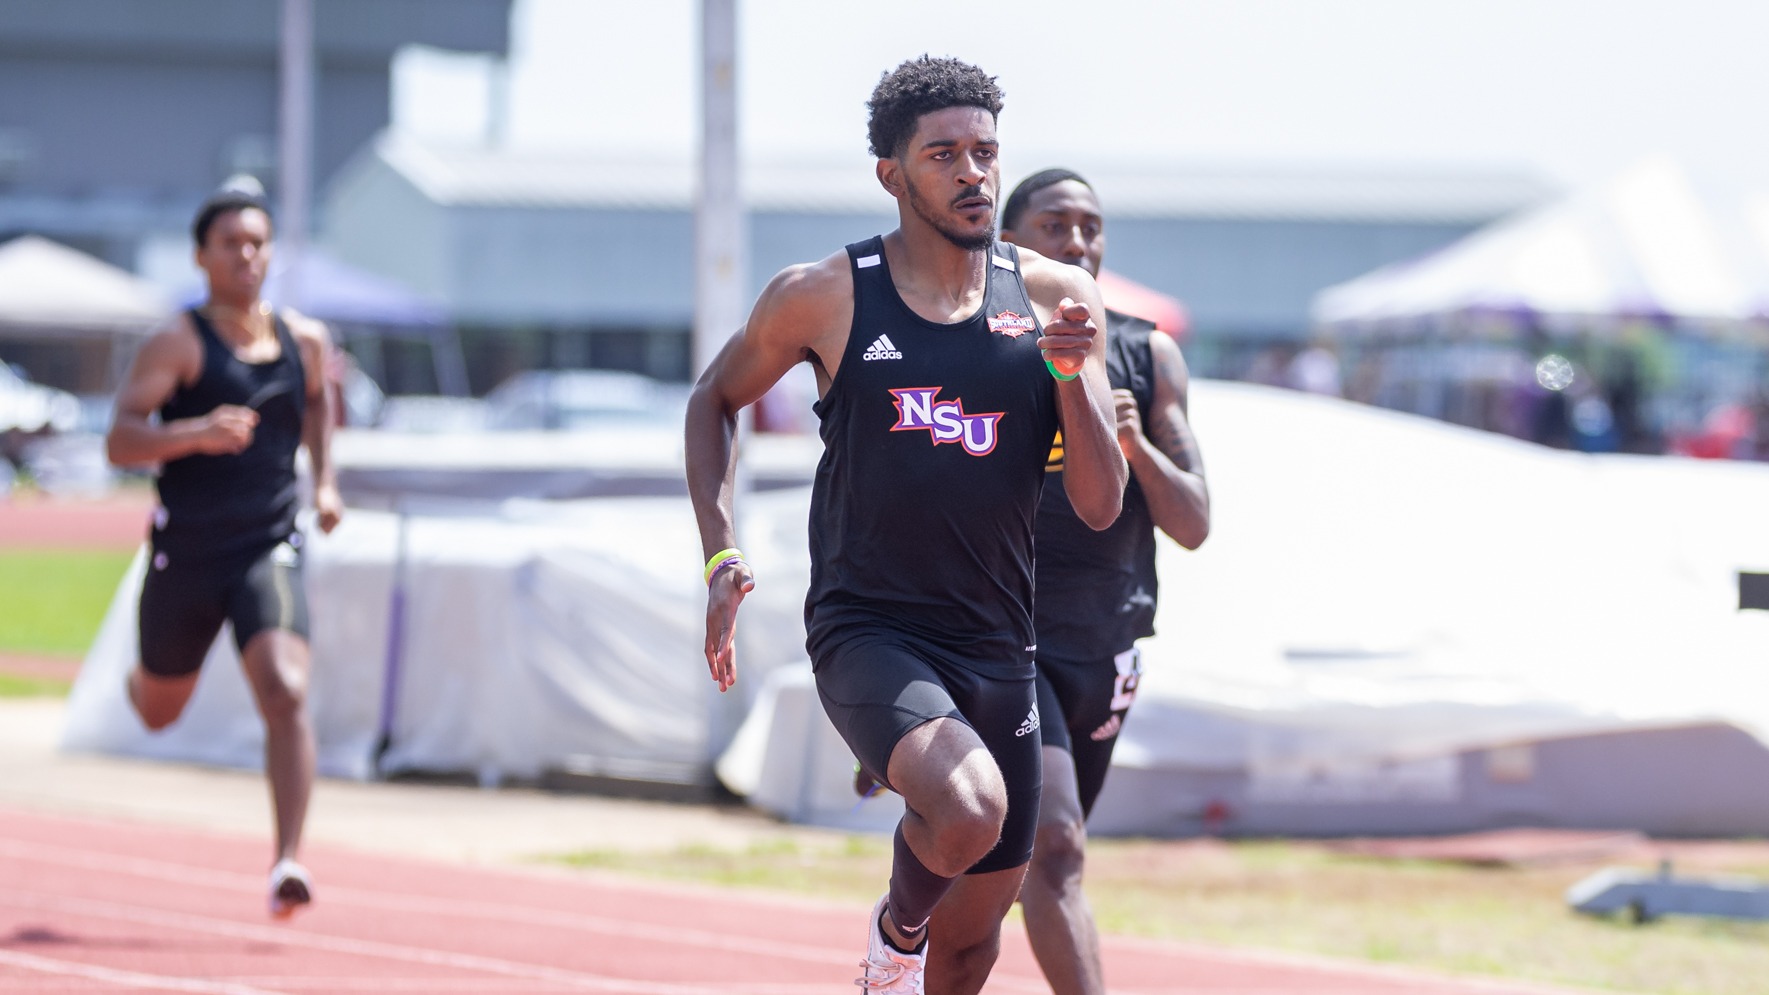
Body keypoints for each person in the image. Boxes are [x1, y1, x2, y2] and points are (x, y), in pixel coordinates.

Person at [685, 57, 1126, 995]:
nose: (972, 173)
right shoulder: (826, 294)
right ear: (892, 173)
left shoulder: (1051, 301)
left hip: (998, 642)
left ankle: (919, 949)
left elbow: (1097, 503)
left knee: (972, 950)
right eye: (944, 155)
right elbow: (713, 400)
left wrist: (1069, 382)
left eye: (985, 153)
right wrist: (720, 548)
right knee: (965, 810)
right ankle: (893, 938)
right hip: (868, 627)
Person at [1004, 168, 1212, 995]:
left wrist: (1135, 447)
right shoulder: (973, 345)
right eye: (1055, 225)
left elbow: (1193, 522)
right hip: (1002, 636)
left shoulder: (1145, 351)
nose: (1078, 243)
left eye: (1091, 226)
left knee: (1027, 857)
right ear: (1008, 240)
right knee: (1053, 846)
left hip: (1104, 643)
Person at [106, 188, 343, 919]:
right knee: (158, 711)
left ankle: (288, 860)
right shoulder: (176, 342)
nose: (247, 256)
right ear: (201, 256)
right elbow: (120, 440)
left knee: (286, 688)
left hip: (265, 540)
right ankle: (139, 680)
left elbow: (315, 405)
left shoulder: (304, 340)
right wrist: (195, 433)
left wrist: (326, 483)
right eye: (232, 243)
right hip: (189, 549)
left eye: (258, 243)